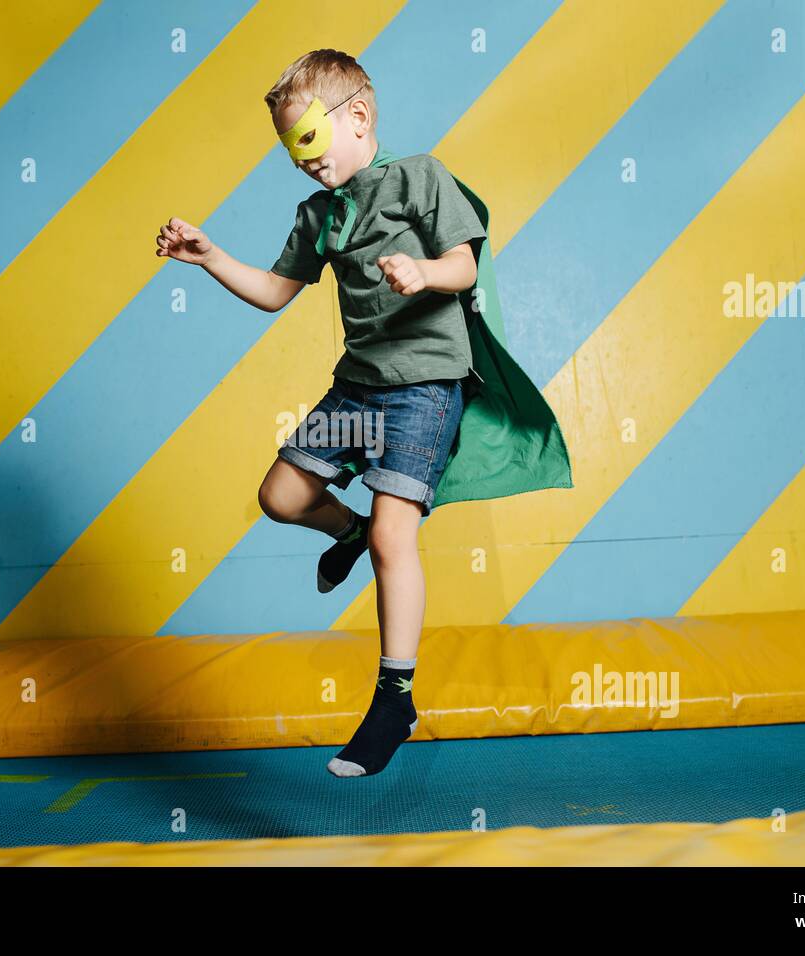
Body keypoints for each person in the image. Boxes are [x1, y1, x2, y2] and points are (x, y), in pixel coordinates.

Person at [155, 49, 571, 777]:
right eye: (290, 150)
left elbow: (466, 265)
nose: (303, 159)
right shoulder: (318, 213)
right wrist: (210, 255)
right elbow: (276, 292)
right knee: (281, 497)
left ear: (358, 117)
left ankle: (394, 700)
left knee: (392, 534)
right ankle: (342, 532)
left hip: (424, 388)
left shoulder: (420, 178)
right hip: (359, 389)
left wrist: (425, 272)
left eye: (309, 138)